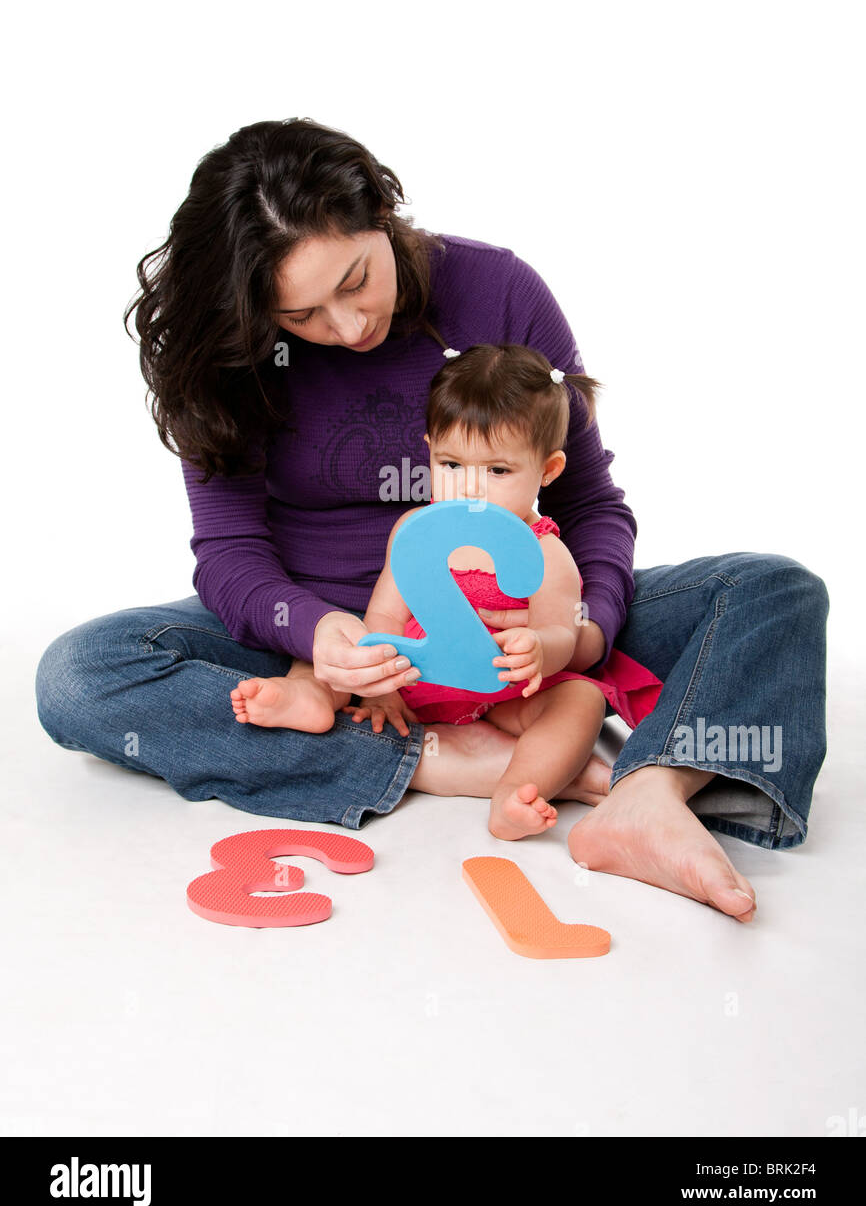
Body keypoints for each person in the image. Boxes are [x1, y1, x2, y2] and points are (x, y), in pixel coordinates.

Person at [34, 116, 830, 925]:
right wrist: (316, 635)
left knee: (770, 591)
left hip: (517, 629)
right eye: (301, 317)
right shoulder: (234, 355)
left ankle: (646, 794)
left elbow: (589, 502)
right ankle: (453, 762)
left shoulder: (498, 290)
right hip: (324, 635)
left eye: (354, 282)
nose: (345, 328)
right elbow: (231, 552)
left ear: (380, 211)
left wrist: (583, 630)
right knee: (81, 675)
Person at [229, 342, 664, 840]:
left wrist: (541, 647)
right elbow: (384, 618)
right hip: (413, 677)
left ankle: (518, 789)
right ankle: (309, 699)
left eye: (497, 471)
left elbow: (561, 630)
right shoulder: (416, 530)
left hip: (500, 695)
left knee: (580, 701)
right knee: (344, 648)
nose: (469, 488)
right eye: (452, 465)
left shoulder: (545, 553)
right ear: (429, 449)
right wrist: (385, 688)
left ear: (547, 470)